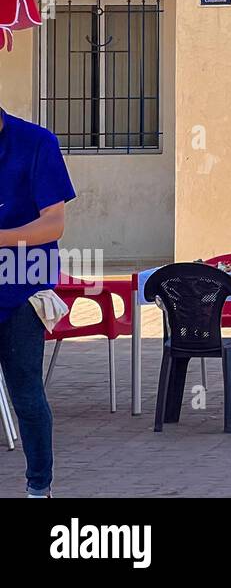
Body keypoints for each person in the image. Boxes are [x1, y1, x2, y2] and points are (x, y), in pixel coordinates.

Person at [0, 107, 77, 499]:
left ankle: (38, 487)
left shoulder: (36, 142)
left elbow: (54, 223)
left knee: (26, 394)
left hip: (22, 293)